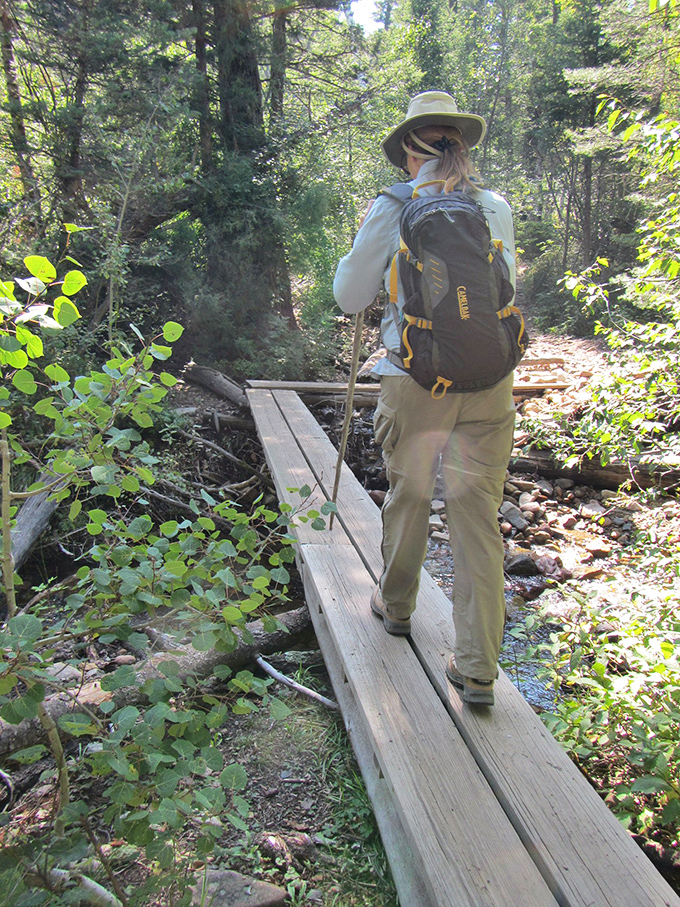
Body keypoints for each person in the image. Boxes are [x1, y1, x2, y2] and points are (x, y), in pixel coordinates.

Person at [333, 91, 517, 707]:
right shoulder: (494, 207)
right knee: (476, 517)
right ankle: (478, 668)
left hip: (413, 381)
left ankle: (398, 605)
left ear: (410, 151)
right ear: (460, 145)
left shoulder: (393, 205)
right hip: (490, 385)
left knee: (410, 495)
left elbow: (349, 296)